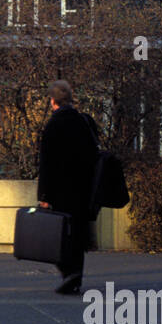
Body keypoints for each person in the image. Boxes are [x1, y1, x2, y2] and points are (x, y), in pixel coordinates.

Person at [36, 79, 99, 295]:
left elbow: (46, 162)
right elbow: (93, 154)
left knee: (59, 233)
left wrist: (44, 194)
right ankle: (76, 275)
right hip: (83, 188)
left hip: (59, 190)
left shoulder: (54, 125)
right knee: (78, 231)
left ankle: (68, 274)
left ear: (52, 101)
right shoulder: (84, 121)